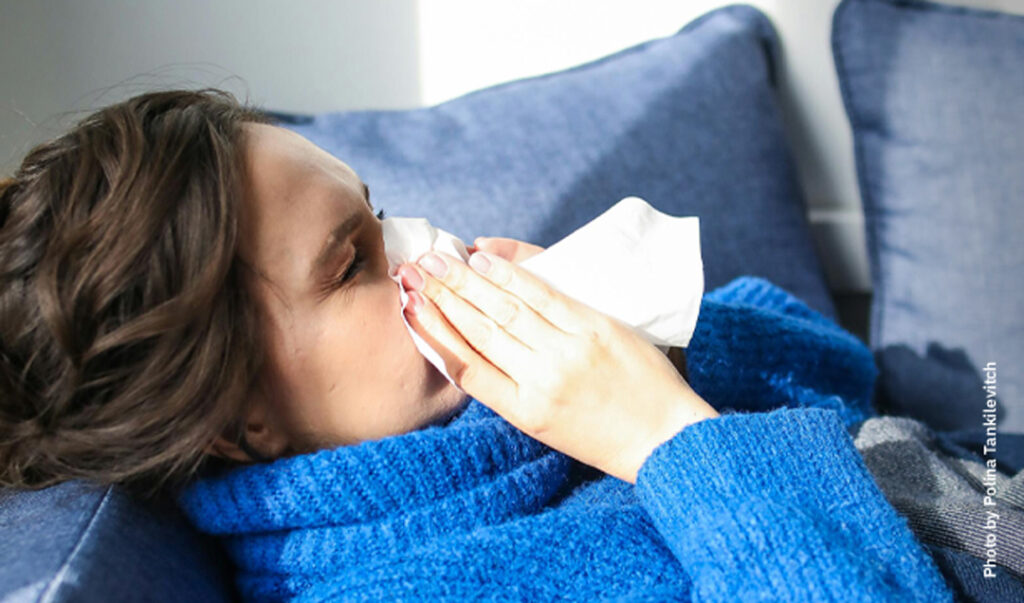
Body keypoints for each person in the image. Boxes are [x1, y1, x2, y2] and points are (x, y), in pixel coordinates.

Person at [0, 89, 954, 601]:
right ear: (236, 418)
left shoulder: (511, 408)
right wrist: (665, 442)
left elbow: (847, 374)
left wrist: (655, 337)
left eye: (377, 213)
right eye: (353, 263)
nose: (426, 246)